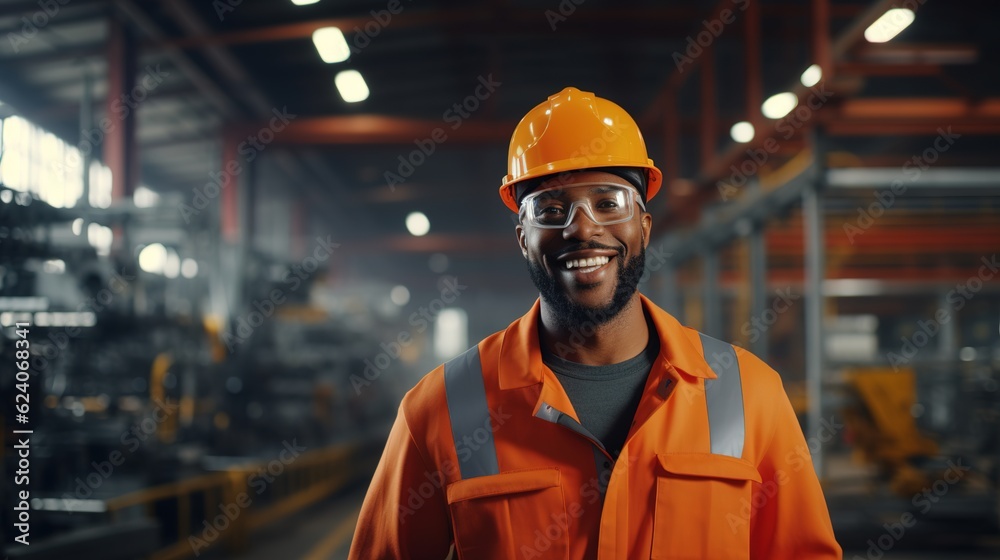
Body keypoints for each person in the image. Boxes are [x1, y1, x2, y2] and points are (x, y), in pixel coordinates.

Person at [348, 87, 841, 559]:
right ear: (523, 238)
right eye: (552, 209)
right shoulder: (441, 409)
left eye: (608, 203)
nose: (582, 227)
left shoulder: (750, 394)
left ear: (643, 226)